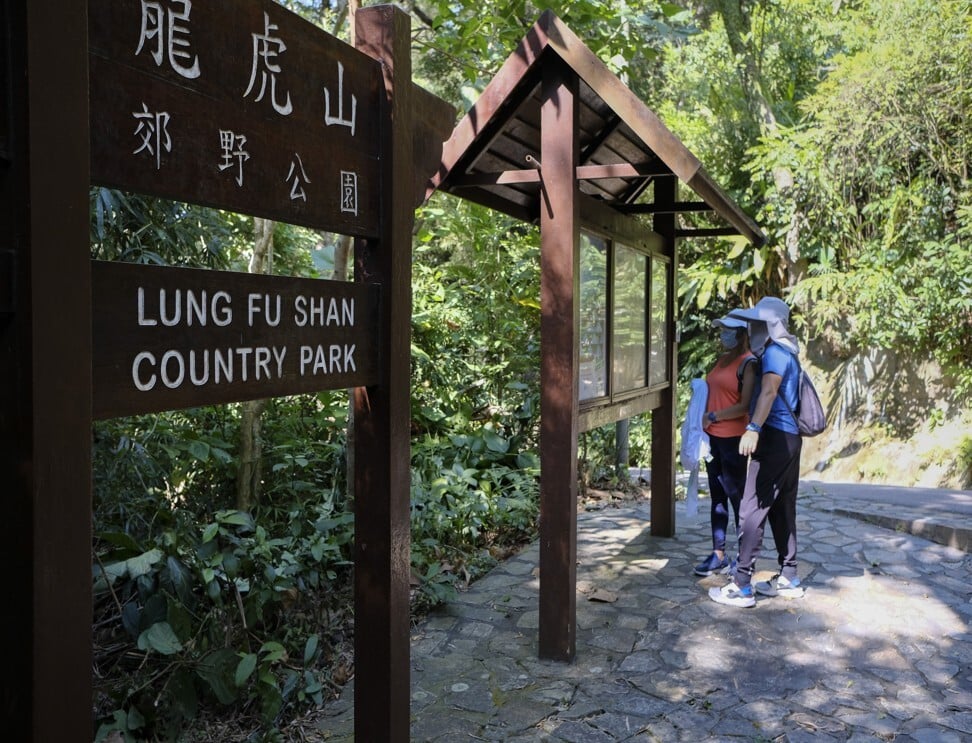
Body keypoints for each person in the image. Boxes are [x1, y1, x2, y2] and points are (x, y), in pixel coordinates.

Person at [709, 297, 806, 607]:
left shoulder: (776, 352)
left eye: (757, 324)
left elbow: (768, 390)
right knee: (781, 507)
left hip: (774, 437)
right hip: (789, 439)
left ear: (770, 325)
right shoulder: (789, 350)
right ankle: (789, 576)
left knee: (751, 507)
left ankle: (741, 584)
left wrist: (753, 428)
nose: (751, 329)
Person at [693, 315, 757, 577]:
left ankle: (744, 557)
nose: (723, 335)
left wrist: (715, 416)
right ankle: (718, 553)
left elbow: (744, 405)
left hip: (733, 439)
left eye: (728, 331)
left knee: (737, 497)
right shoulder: (722, 359)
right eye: (722, 331)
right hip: (712, 439)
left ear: (742, 334)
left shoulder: (749, 363)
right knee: (717, 497)